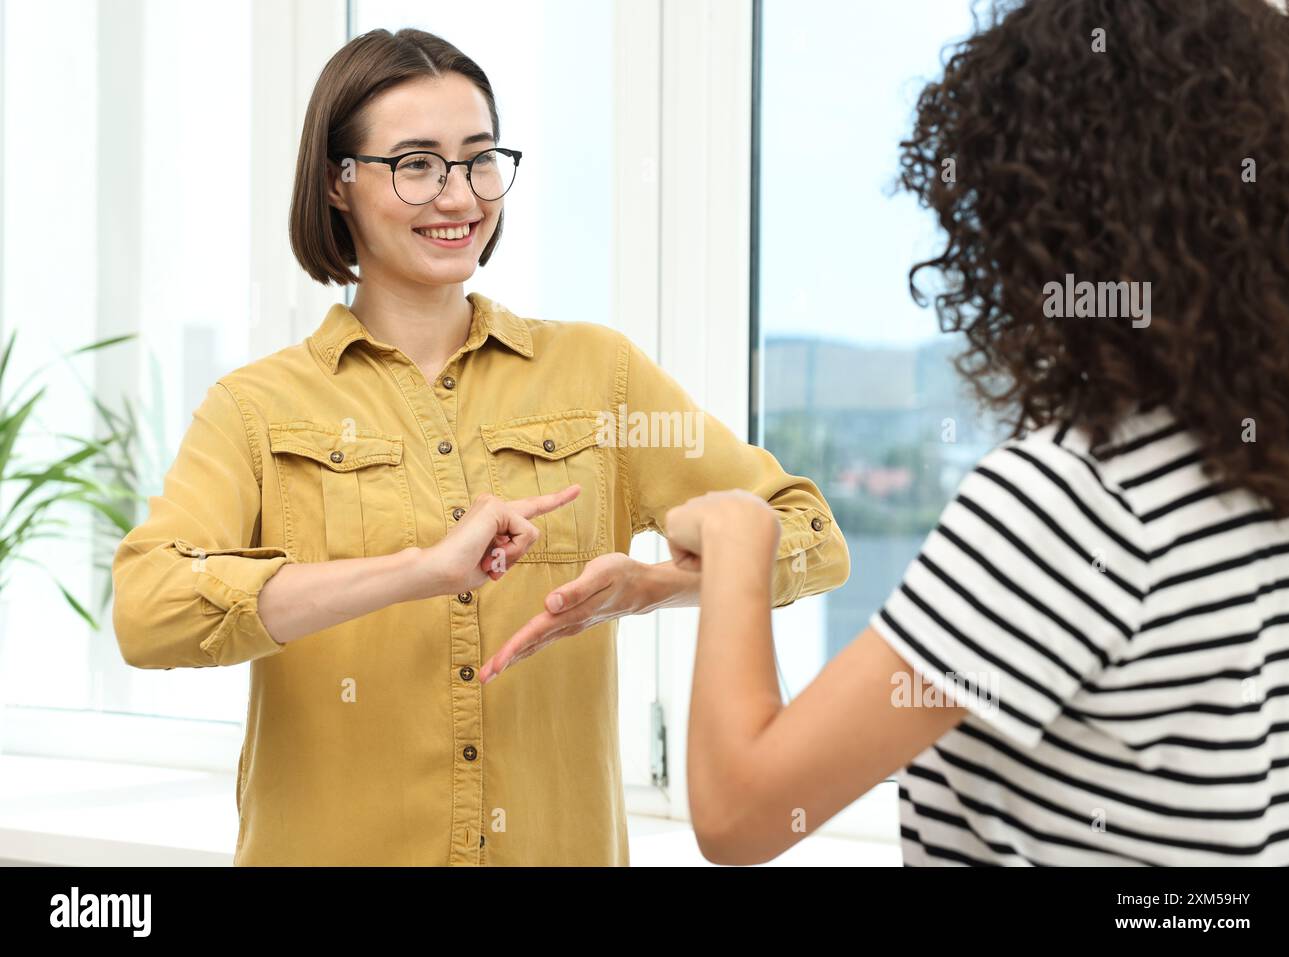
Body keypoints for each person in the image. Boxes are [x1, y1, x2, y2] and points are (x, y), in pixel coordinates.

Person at [487, 0, 1289, 866]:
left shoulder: (1071, 500)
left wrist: (735, 535)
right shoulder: (1259, 464)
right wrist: (658, 585)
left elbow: (740, 811)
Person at [110, 27, 850, 866]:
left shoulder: (598, 375)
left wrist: (647, 587)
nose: (459, 196)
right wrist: (419, 571)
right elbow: (148, 610)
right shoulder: (255, 408)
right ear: (337, 182)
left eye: (478, 158)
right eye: (416, 164)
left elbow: (811, 535)